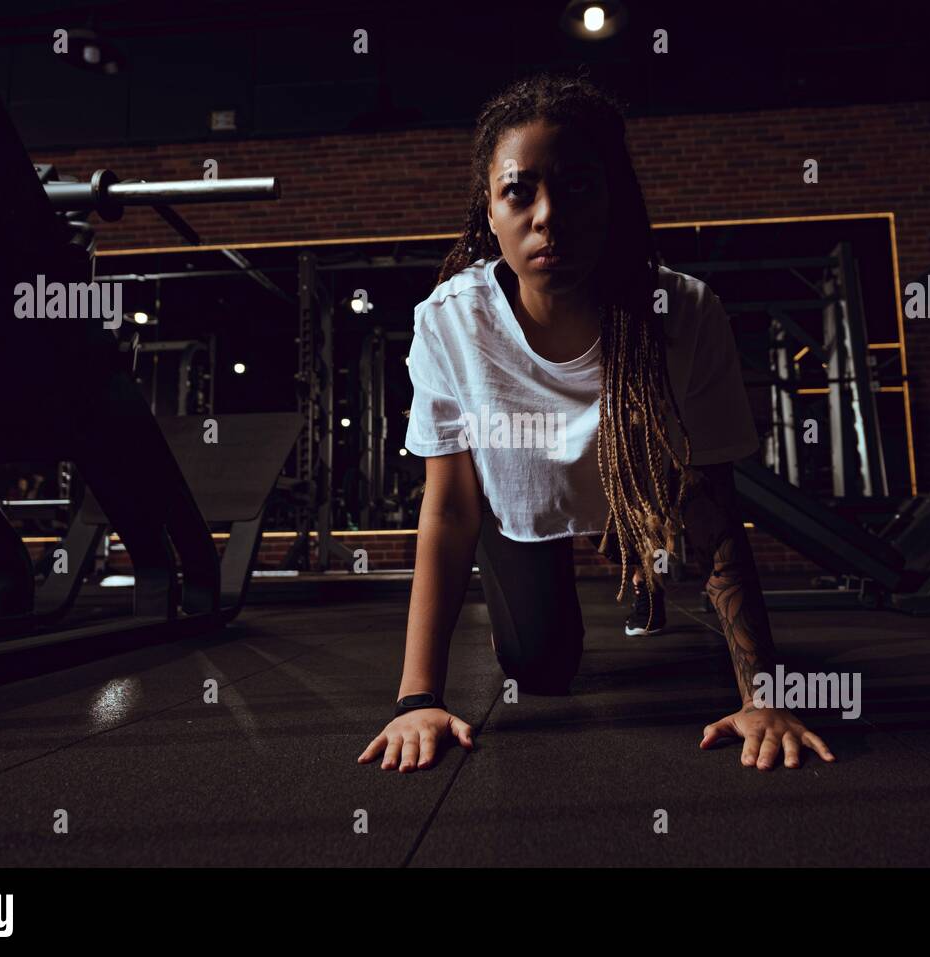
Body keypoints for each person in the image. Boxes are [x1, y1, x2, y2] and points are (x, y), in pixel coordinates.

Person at [358, 71, 835, 775]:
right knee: (540, 668)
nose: (547, 215)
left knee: (667, 537)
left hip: (636, 490)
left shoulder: (684, 315)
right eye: (519, 192)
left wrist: (761, 695)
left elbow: (714, 507)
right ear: (489, 212)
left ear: (614, 199)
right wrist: (416, 698)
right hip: (515, 501)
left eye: (578, 186)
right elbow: (450, 508)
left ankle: (634, 559)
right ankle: (546, 585)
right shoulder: (450, 323)